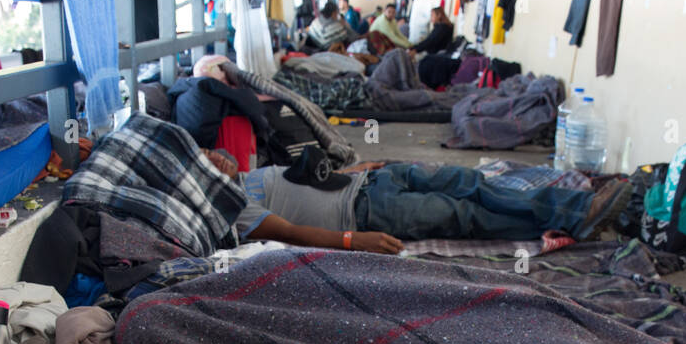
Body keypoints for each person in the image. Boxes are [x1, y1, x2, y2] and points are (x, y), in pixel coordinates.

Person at [222, 146, 634, 253]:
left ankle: (574, 209)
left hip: (372, 181)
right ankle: (580, 215)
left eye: (208, 152)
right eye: (205, 158)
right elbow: (291, 233)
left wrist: (356, 169)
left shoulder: (249, 174)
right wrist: (353, 240)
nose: (214, 157)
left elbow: (303, 184)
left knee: (471, 181)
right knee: (463, 215)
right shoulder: (231, 206)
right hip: (365, 213)